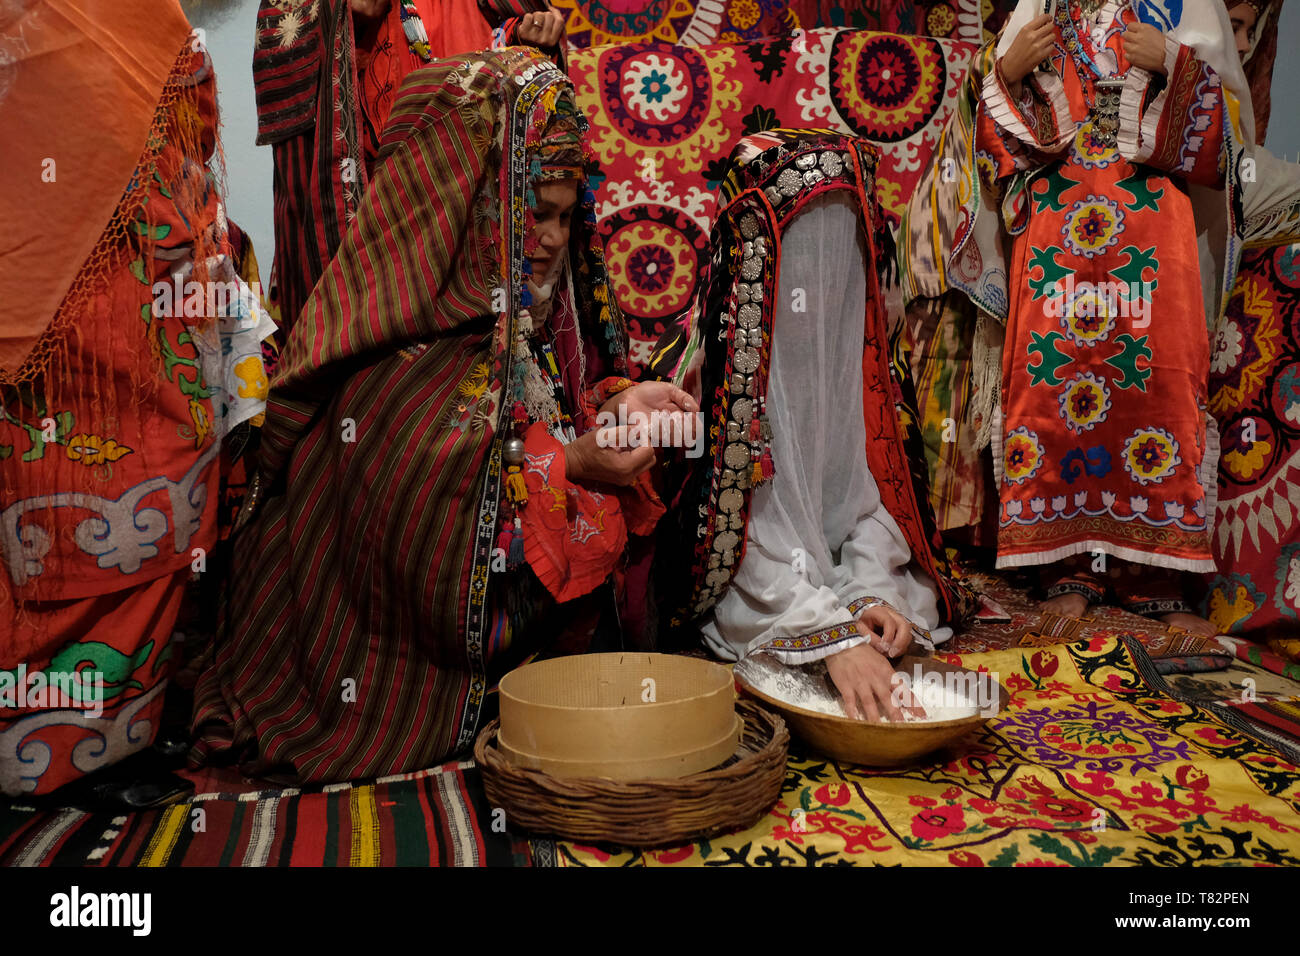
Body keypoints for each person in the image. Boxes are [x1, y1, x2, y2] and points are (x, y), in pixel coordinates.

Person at [192, 49, 696, 783]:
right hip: (382, 661)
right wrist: (575, 463)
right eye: (533, 214)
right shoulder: (400, 358)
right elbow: (428, 516)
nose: (553, 239)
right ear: (468, 202)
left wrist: (618, 402)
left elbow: (548, 407)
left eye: (564, 216)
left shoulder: (528, 307)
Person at [0, 0, 272, 799]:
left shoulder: (143, 23)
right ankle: (51, 754)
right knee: (65, 532)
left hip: (161, 310)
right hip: (72, 339)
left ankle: (117, 741)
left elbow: (182, 164)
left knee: (162, 514)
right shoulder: (51, 26)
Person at [650, 130, 974, 721]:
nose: (822, 286)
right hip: (754, 589)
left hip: (827, 582)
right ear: (759, 263)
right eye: (803, 250)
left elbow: (869, 503)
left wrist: (870, 593)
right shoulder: (703, 383)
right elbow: (725, 549)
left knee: (902, 612)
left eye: (840, 252)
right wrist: (828, 634)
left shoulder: (862, 359)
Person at [969, 0, 1254, 633]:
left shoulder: (1186, 5)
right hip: (1055, 213)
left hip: (1153, 213)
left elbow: (1227, 143)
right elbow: (996, 151)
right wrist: (1007, 73)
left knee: (1155, 383)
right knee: (1054, 383)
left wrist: (1177, 66)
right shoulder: (1038, 7)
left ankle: (1158, 573)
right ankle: (1067, 564)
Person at [255, 0, 567, 336]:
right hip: (381, 222)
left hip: (480, 215)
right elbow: (284, 31)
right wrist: (339, 10)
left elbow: (514, 40)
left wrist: (524, 35)